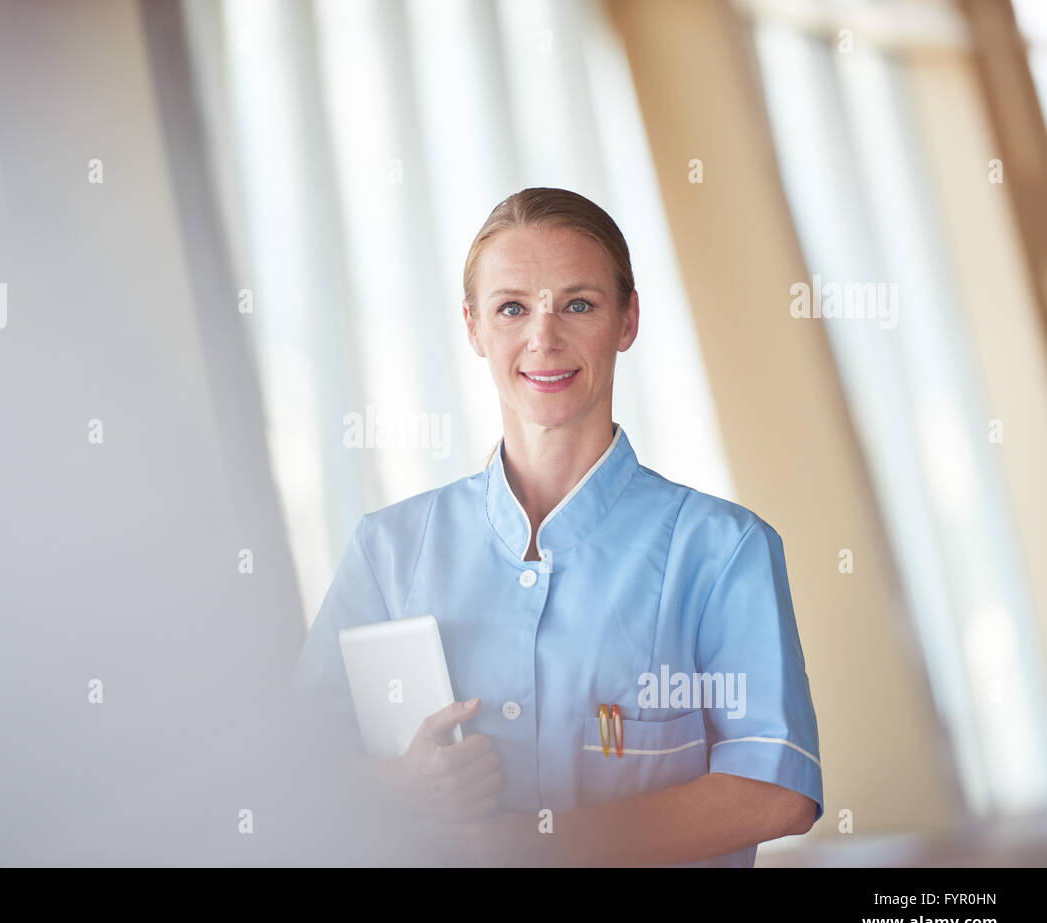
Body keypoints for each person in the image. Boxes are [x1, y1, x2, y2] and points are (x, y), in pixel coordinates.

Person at [292, 186, 822, 866]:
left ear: (627, 320)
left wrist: (537, 846)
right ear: (473, 327)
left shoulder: (723, 550)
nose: (543, 337)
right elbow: (295, 767)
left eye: (579, 304)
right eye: (512, 307)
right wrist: (400, 788)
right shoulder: (388, 549)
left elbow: (774, 790)